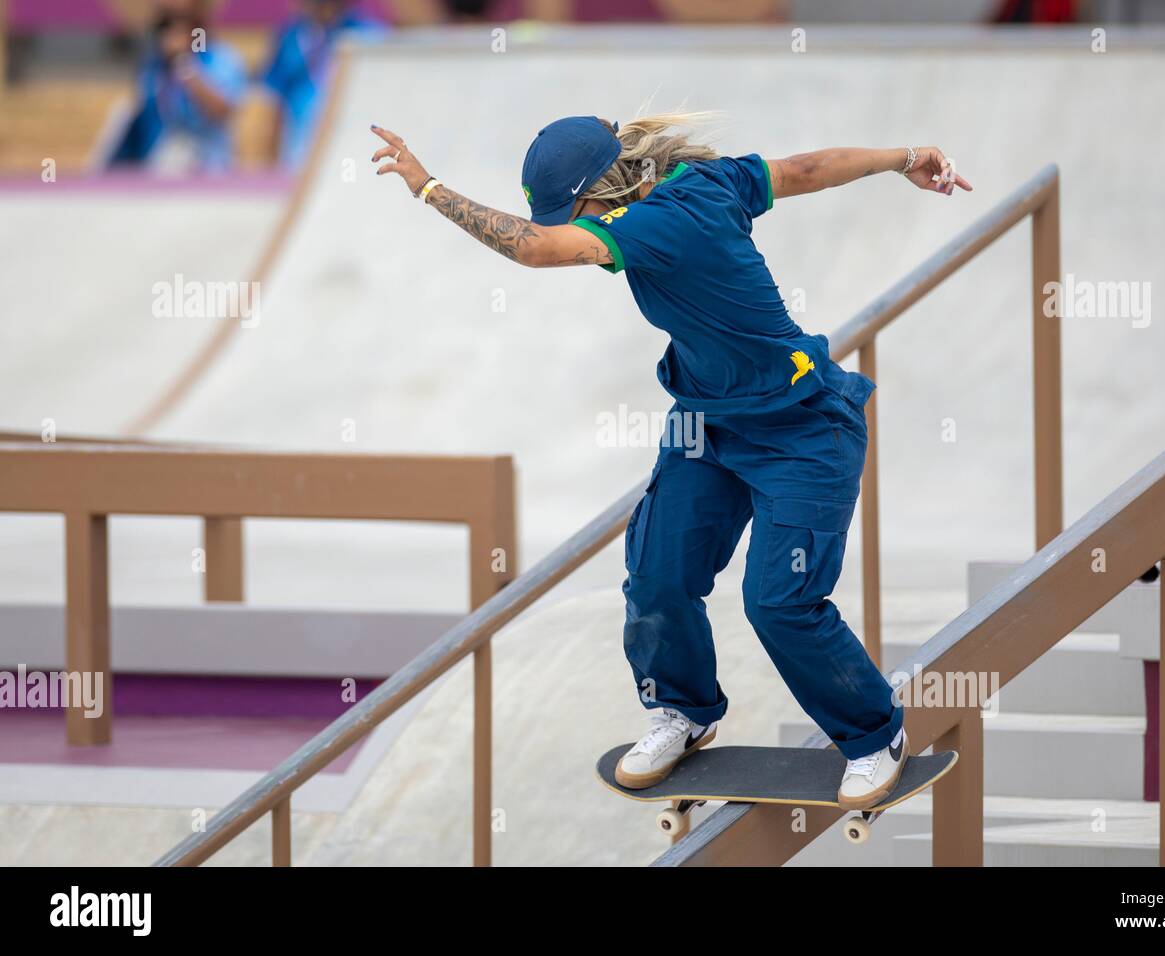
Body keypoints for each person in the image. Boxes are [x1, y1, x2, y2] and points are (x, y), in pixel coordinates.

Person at [369, 113, 972, 809]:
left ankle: (874, 736)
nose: (580, 229)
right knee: (656, 573)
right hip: (707, 424)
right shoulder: (713, 180)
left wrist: (429, 189)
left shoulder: (653, 224)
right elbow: (807, 169)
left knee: (779, 603)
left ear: (609, 188)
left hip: (804, 429)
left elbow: (533, 250)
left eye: (579, 212)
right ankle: (685, 712)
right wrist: (905, 155)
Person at [108, 0, 246, 173]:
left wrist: (184, 63)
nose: (173, 31)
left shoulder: (221, 59)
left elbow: (222, 111)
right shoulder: (154, 67)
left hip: (210, 169)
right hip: (162, 169)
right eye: (168, 23)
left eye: (183, 21)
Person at [262, 0, 386, 168]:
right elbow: (272, 101)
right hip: (298, 156)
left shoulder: (370, 37)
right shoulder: (290, 37)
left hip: (355, 155)